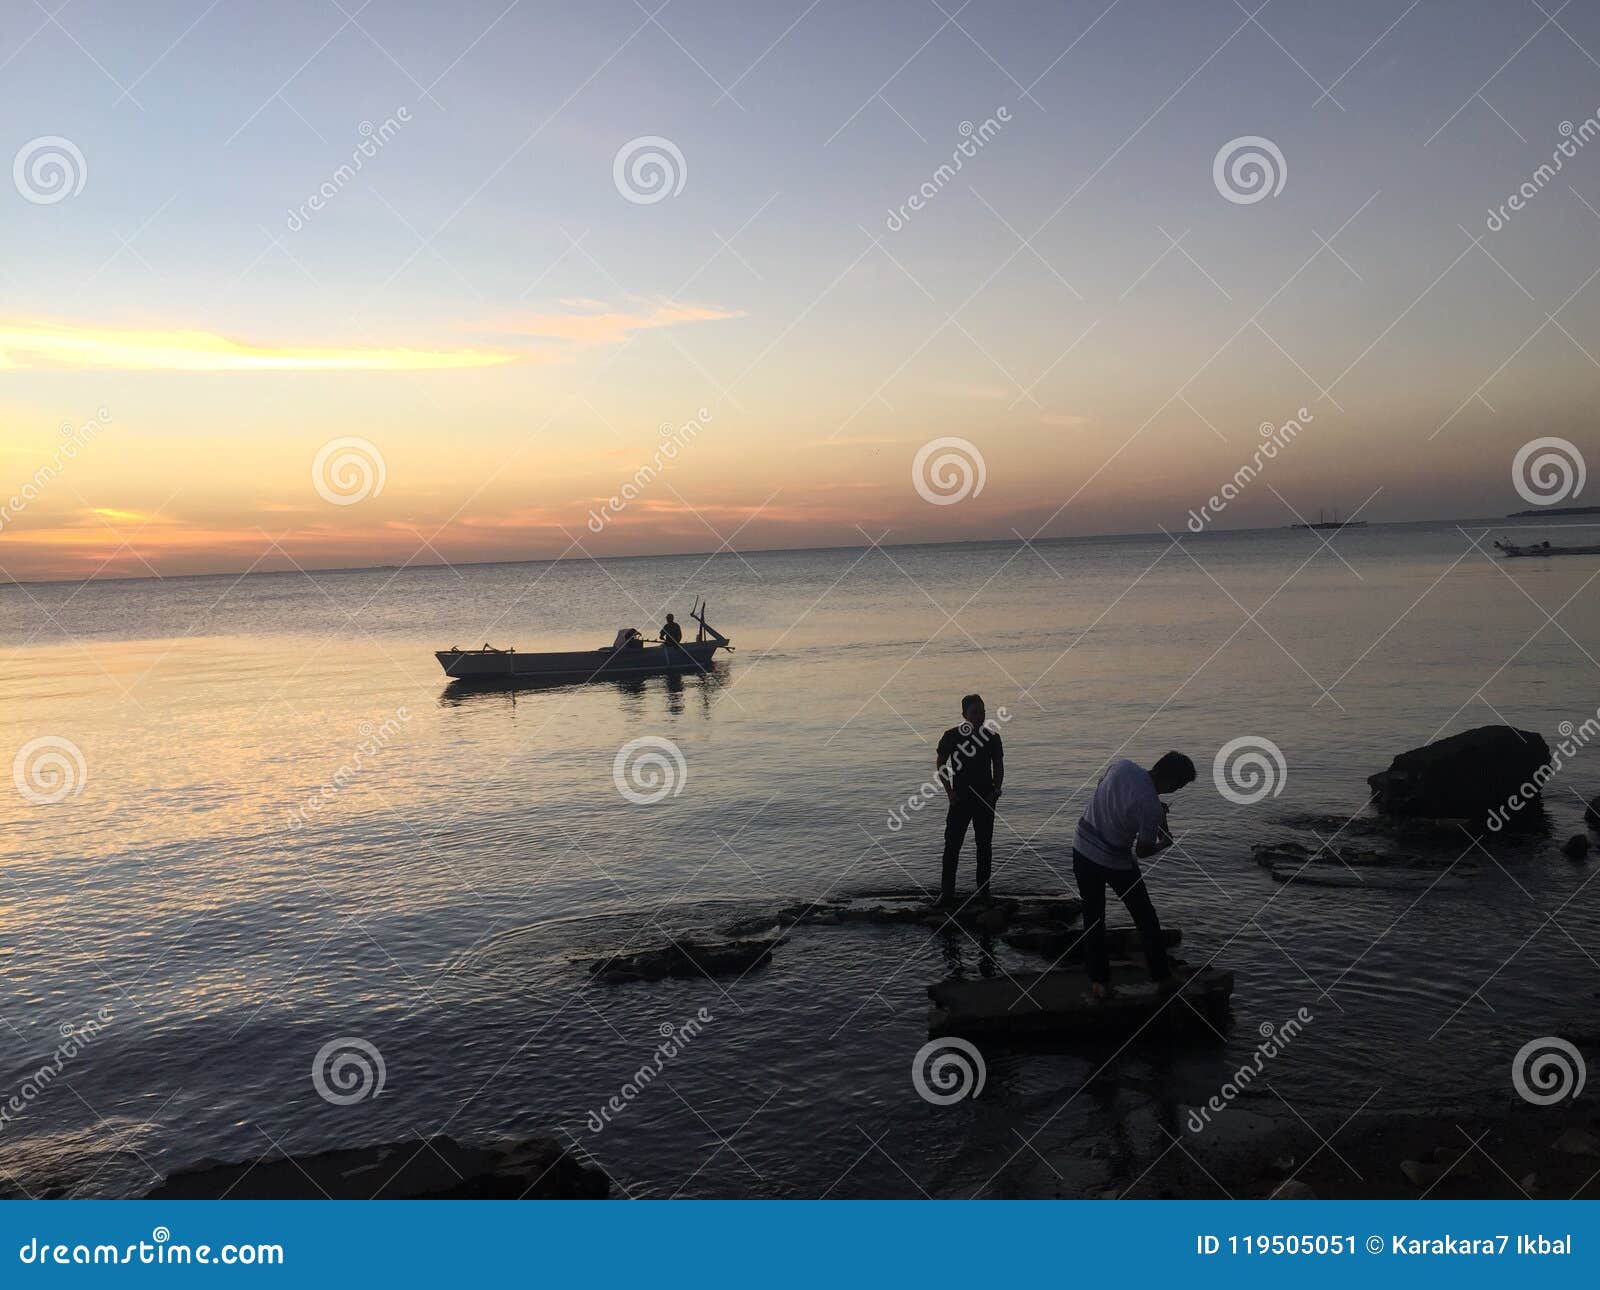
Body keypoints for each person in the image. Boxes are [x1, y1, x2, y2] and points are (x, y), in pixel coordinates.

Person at [1072, 751, 1196, 998]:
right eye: (1179, 786)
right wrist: (1164, 844)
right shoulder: (1151, 808)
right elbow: (1142, 851)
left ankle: (1099, 983)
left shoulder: (1123, 766)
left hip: (1082, 847)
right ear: (1172, 781)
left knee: (1093, 918)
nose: (1175, 791)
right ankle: (1162, 978)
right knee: (1145, 917)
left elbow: (1107, 792)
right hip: (1114, 861)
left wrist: (1152, 813)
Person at [936, 694, 1004, 908]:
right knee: (952, 846)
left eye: (982, 712)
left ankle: (984, 892)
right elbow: (941, 764)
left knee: (984, 847)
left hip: (985, 799)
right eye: (974, 712)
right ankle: (947, 894)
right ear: (964, 714)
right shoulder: (951, 736)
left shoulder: (992, 738)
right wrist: (949, 792)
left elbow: (998, 766)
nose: (979, 716)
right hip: (960, 799)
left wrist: (996, 790)